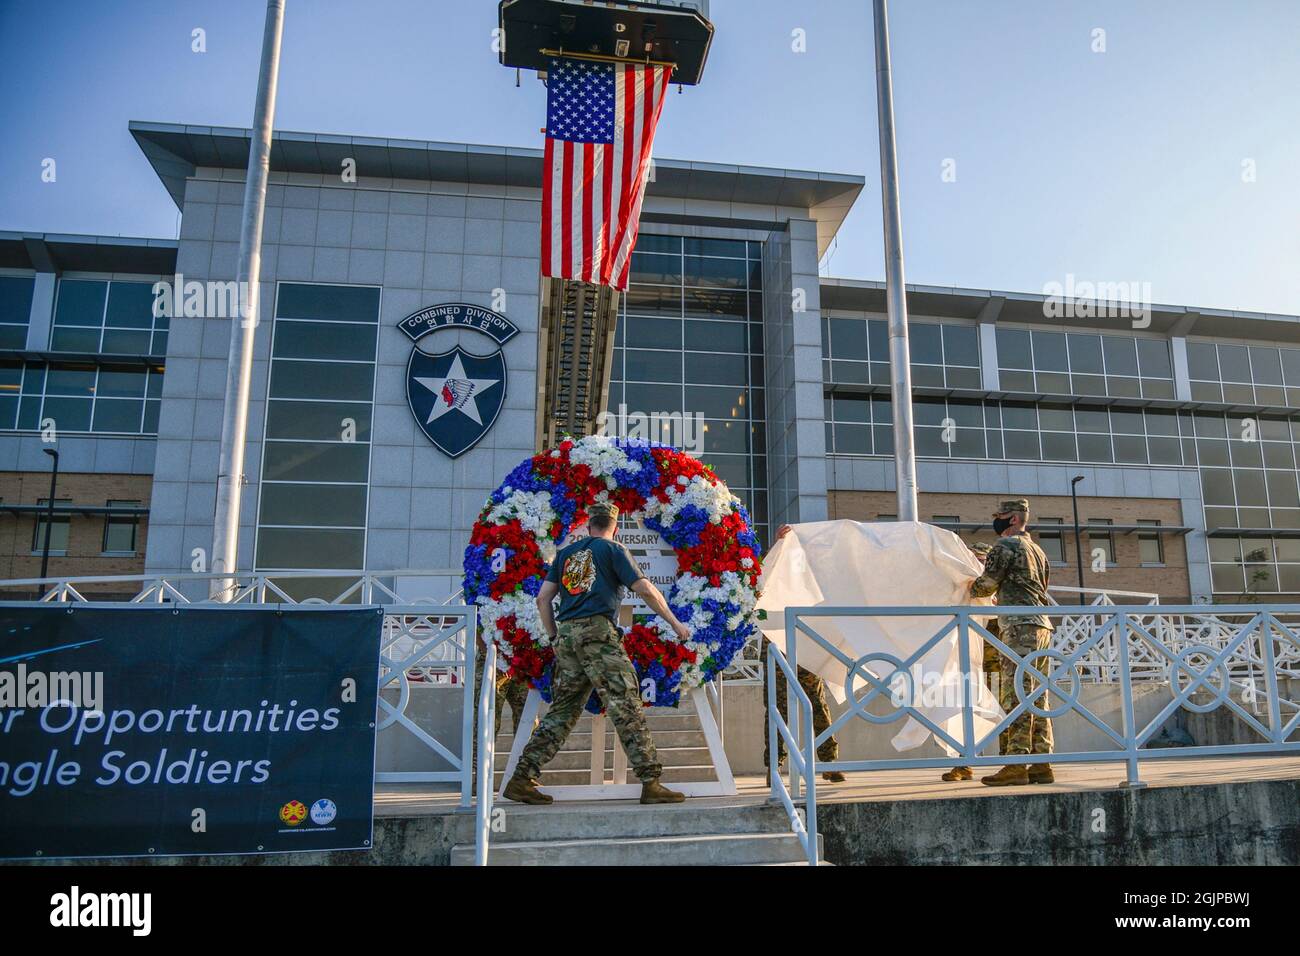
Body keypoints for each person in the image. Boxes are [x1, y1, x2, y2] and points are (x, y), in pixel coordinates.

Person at [502, 502, 692, 806]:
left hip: (567, 637)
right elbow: (644, 589)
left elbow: (543, 599)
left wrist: (554, 637)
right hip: (597, 635)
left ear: (589, 526)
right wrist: (675, 623)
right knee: (625, 703)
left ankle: (521, 778)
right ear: (614, 526)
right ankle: (650, 781)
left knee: (562, 711)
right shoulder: (613, 549)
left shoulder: (565, 555)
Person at [969, 499, 1056, 787]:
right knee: (1038, 696)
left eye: (1001, 516)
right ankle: (1042, 764)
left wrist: (967, 584)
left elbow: (986, 584)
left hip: (1019, 628)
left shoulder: (1004, 547)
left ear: (1015, 519)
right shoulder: (1038, 550)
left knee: (1017, 695)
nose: (997, 520)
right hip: (1042, 626)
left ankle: (1016, 763)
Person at [766, 524, 845, 783]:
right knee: (777, 710)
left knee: (817, 705)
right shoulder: (775, 575)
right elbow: (762, 577)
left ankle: (829, 762)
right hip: (778, 649)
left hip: (807, 648)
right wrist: (778, 545)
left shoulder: (813, 578)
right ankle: (775, 766)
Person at [941, 540, 1009, 782]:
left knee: (1006, 705)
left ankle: (1008, 761)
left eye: (981, 561)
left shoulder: (999, 585)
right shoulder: (964, 587)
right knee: (966, 706)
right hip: (970, 655)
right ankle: (964, 762)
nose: (976, 566)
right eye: (974, 560)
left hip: (997, 652)